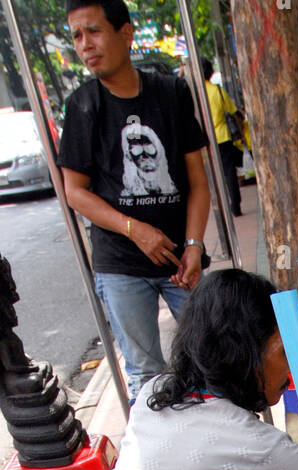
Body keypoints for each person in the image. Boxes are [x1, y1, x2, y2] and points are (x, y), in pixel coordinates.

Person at [60, 1, 210, 405]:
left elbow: (199, 182)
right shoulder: (82, 107)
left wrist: (194, 245)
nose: (85, 45)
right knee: (146, 374)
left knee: (214, 356)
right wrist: (134, 229)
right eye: (76, 36)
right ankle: (165, 459)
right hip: (121, 265)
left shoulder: (171, 93)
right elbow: (74, 192)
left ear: (125, 34)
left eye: (93, 31)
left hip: (181, 259)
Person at [98, 270, 298, 470]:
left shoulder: (153, 392)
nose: (291, 367)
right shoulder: (258, 446)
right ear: (245, 354)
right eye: (283, 352)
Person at [201, 57, 242, 218]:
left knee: (212, 175)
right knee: (229, 172)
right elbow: (233, 110)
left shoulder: (195, 92)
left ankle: (219, 208)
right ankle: (235, 206)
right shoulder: (217, 90)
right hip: (223, 136)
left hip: (205, 140)